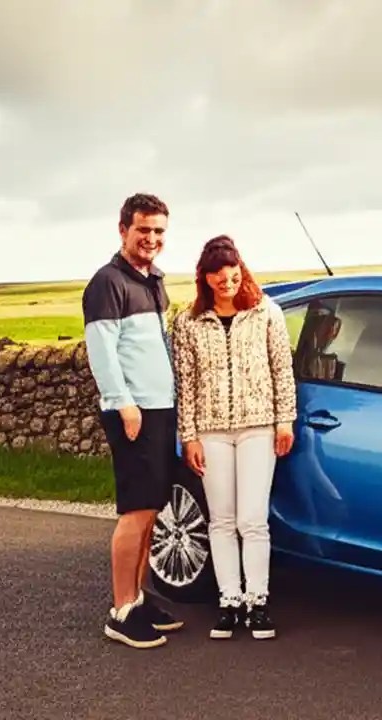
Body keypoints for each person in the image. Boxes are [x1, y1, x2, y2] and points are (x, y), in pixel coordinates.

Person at [172, 235, 297, 640]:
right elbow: (185, 384)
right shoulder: (188, 323)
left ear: (240, 271)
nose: (227, 281)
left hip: (258, 427)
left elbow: (282, 369)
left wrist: (284, 421)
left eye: (233, 273)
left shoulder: (266, 313)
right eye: (219, 276)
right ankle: (229, 601)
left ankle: (257, 602)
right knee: (222, 520)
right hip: (210, 432)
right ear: (206, 278)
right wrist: (188, 435)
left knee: (252, 519)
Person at [82, 192, 183, 649]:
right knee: (136, 510)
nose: (151, 239)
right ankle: (122, 611)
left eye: (159, 231)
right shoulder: (107, 282)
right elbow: (102, 352)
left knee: (152, 510)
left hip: (160, 408)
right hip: (134, 411)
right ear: (123, 229)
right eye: (143, 230)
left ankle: (139, 599)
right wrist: (123, 404)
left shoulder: (154, 280)